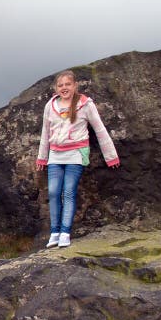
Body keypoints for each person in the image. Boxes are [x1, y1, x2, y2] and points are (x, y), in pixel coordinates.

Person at [36, 70, 120, 248]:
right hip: (55, 155)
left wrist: (111, 156)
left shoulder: (85, 104)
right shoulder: (50, 106)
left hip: (76, 154)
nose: (64, 88)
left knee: (68, 192)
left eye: (67, 84)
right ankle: (55, 232)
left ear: (75, 86)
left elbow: (100, 129)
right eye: (60, 85)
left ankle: (65, 232)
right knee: (53, 192)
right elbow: (45, 132)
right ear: (56, 88)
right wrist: (42, 157)